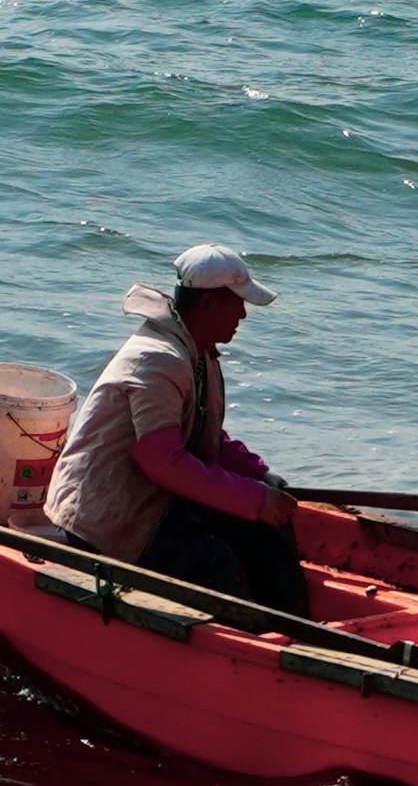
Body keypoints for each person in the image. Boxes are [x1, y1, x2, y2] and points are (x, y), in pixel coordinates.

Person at [43, 245, 310, 621]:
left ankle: (295, 631)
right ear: (210, 306)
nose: (244, 314)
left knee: (268, 529)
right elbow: (162, 461)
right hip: (113, 515)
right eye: (238, 304)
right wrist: (252, 498)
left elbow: (205, 437)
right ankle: (250, 647)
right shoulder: (157, 360)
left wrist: (261, 477)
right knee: (209, 561)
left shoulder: (198, 352)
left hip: (159, 500)